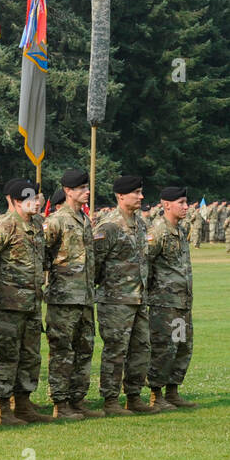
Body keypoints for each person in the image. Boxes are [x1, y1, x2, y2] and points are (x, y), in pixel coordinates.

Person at [0, 178, 52, 425]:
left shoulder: (37, 225)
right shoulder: (2, 227)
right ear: (13, 201)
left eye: (34, 198)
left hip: (32, 303)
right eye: (27, 199)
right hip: (7, 305)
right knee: (7, 356)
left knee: (30, 356)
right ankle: (4, 408)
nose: (33, 203)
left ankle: (23, 404)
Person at [42, 168, 99, 420]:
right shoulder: (56, 221)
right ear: (68, 191)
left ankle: (77, 399)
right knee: (63, 352)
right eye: (81, 188)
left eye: (87, 187)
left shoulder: (85, 219)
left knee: (84, 349)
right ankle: (60, 403)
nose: (87, 192)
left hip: (85, 297)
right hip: (64, 298)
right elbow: (41, 254)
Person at [93, 175, 152, 415]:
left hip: (138, 299)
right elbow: (94, 264)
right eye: (136, 193)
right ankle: (110, 400)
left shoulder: (140, 224)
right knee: (116, 350)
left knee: (141, 348)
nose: (141, 197)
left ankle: (134, 396)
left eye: (140, 192)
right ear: (120, 196)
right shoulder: (109, 227)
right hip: (115, 301)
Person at [145, 186, 197, 411]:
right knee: (164, 348)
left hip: (182, 303)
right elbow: (144, 262)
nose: (186, 207)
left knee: (182, 346)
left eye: (186, 203)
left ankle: (172, 391)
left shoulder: (181, 230)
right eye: (181, 203)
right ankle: (156, 395)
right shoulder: (158, 232)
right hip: (164, 304)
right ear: (167, 204)